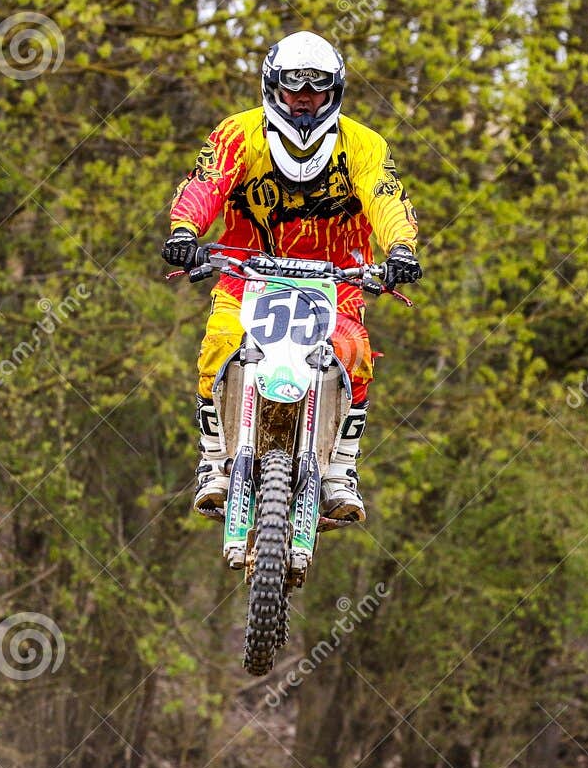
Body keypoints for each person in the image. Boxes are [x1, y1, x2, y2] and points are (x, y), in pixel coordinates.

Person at [163, 30, 421, 523]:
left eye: (316, 90)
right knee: (221, 341)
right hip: (247, 272)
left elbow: (385, 195)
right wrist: (184, 230)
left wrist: (401, 249)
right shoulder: (237, 134)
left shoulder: (363, 145)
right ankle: (215, 460)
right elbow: (206, 183)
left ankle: (340, 469)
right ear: (273, 88)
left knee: (352, 355)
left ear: (334, 92)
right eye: (294, 89)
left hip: (338, 278)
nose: (304, 100)